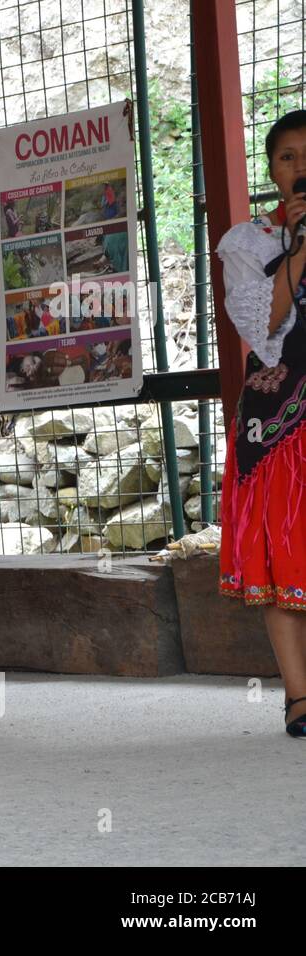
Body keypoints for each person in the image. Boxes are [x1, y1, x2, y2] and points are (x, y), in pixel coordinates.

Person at [215, 109, 306, 738]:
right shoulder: (248, 243)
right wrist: (299, 250)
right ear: (272, 171)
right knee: (285, 549)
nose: (300, 168)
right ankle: (299, 696)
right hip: (279, 423)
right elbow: (260, 329)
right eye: (287, 157)